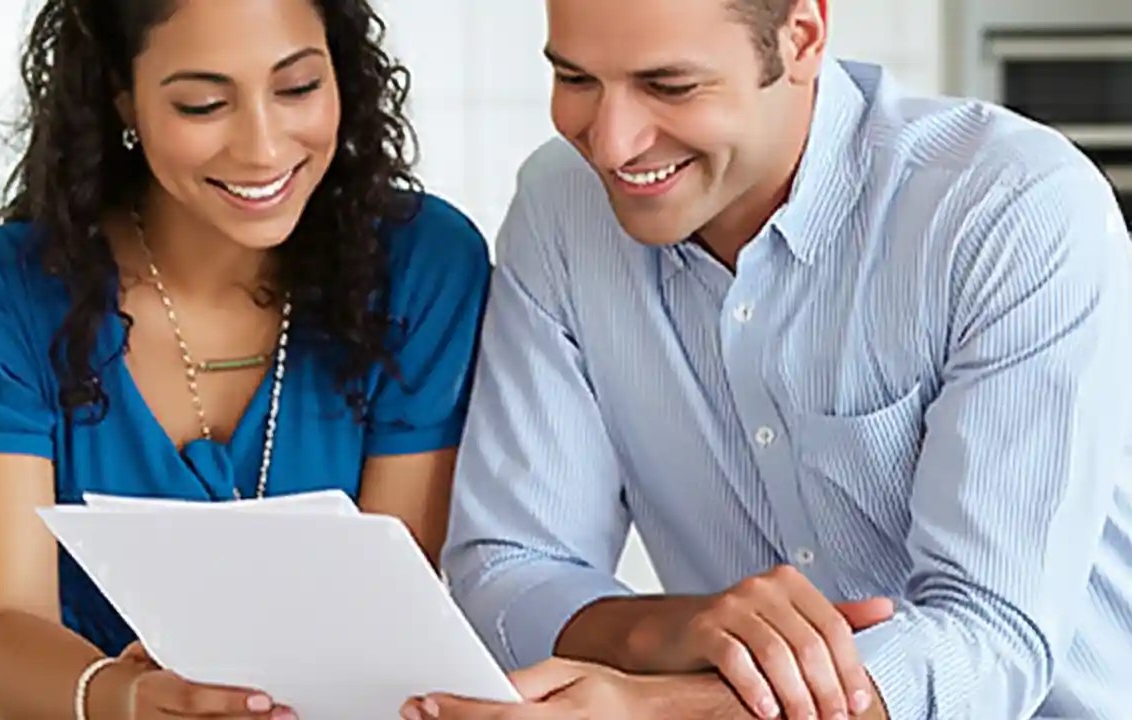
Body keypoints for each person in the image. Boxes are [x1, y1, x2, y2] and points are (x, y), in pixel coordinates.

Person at [401, 0, 1132, 718]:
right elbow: (507, 568)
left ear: (802, 37)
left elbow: (990, 638)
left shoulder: (1007, 207)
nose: (612, 143)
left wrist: (663, 708)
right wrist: (683, 628)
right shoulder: (561, 211)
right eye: (576, 80)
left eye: (670, 86)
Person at [0, 0, 490, 717]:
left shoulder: (424, 265)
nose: (263, 147)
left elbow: (393, 613)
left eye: (298, 88)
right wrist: (127, 700)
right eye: (203, 104)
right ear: (121, 99)